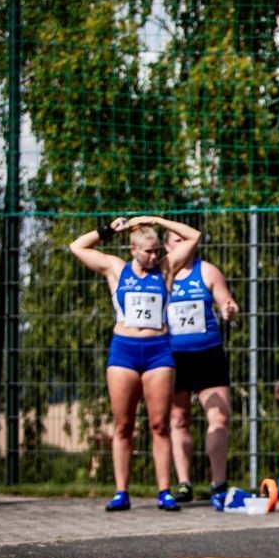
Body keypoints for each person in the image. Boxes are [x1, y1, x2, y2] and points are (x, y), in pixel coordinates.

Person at [70, 216, 201, 512]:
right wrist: (106, 231)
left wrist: (154, 220)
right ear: (133, 249)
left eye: (157, 251)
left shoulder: (165, 270)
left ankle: (164, 491)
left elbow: (193, 236)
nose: (154, 257)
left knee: (159, 424)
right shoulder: (117, 269)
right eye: (148, 252)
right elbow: (77, 247)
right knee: (123, 425)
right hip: (124, 351)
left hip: (158, 351)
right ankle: (121, 491)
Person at [164, 234, 239, 505]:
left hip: (208, 354)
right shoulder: (162, 273)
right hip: (173, 357)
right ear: (166, 246)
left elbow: (226, 302)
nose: (181, 244)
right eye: (174, 240)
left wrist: (229, 310)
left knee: (219, 418)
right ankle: (184, 483)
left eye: (185, 239)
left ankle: (218, 483)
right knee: (178, 419)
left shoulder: (206, 271)